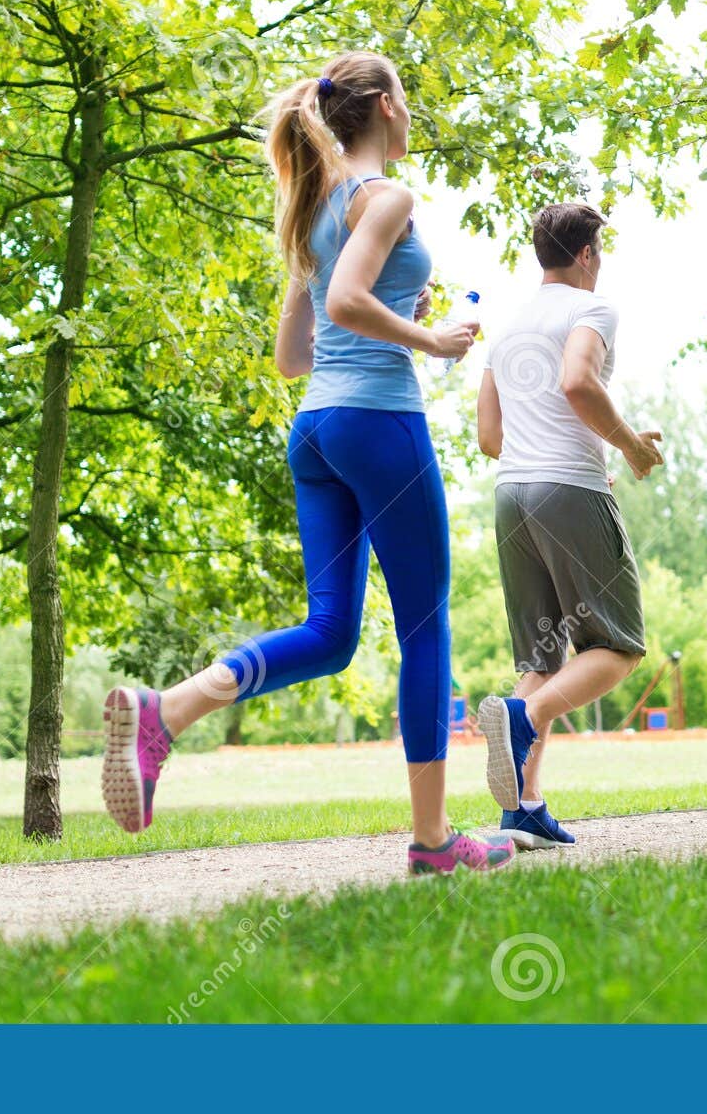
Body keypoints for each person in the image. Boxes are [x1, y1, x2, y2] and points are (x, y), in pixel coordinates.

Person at [101, 51, 515, 876]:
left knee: (331, 635)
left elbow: (294, 355)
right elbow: (342, 304)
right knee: (425, 626)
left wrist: (392, 306)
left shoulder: (317, 206)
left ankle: (167, 710)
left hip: (317, 428)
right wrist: (429, 337)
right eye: (409, 97)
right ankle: (435, 842)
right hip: (377, 423)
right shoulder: (387, 196)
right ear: (389, 107)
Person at [474, 202, 662, 848]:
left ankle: (523, 807)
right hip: (566, 488)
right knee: (620, 646)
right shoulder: (593, 308)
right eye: (599, 252)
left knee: (541, 655)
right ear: (586, 254)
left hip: (512, 497)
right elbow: (578, 382)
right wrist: (631, 448)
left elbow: (490, 436)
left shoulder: (508, 327)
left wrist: (598, 451)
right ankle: (524, 718)